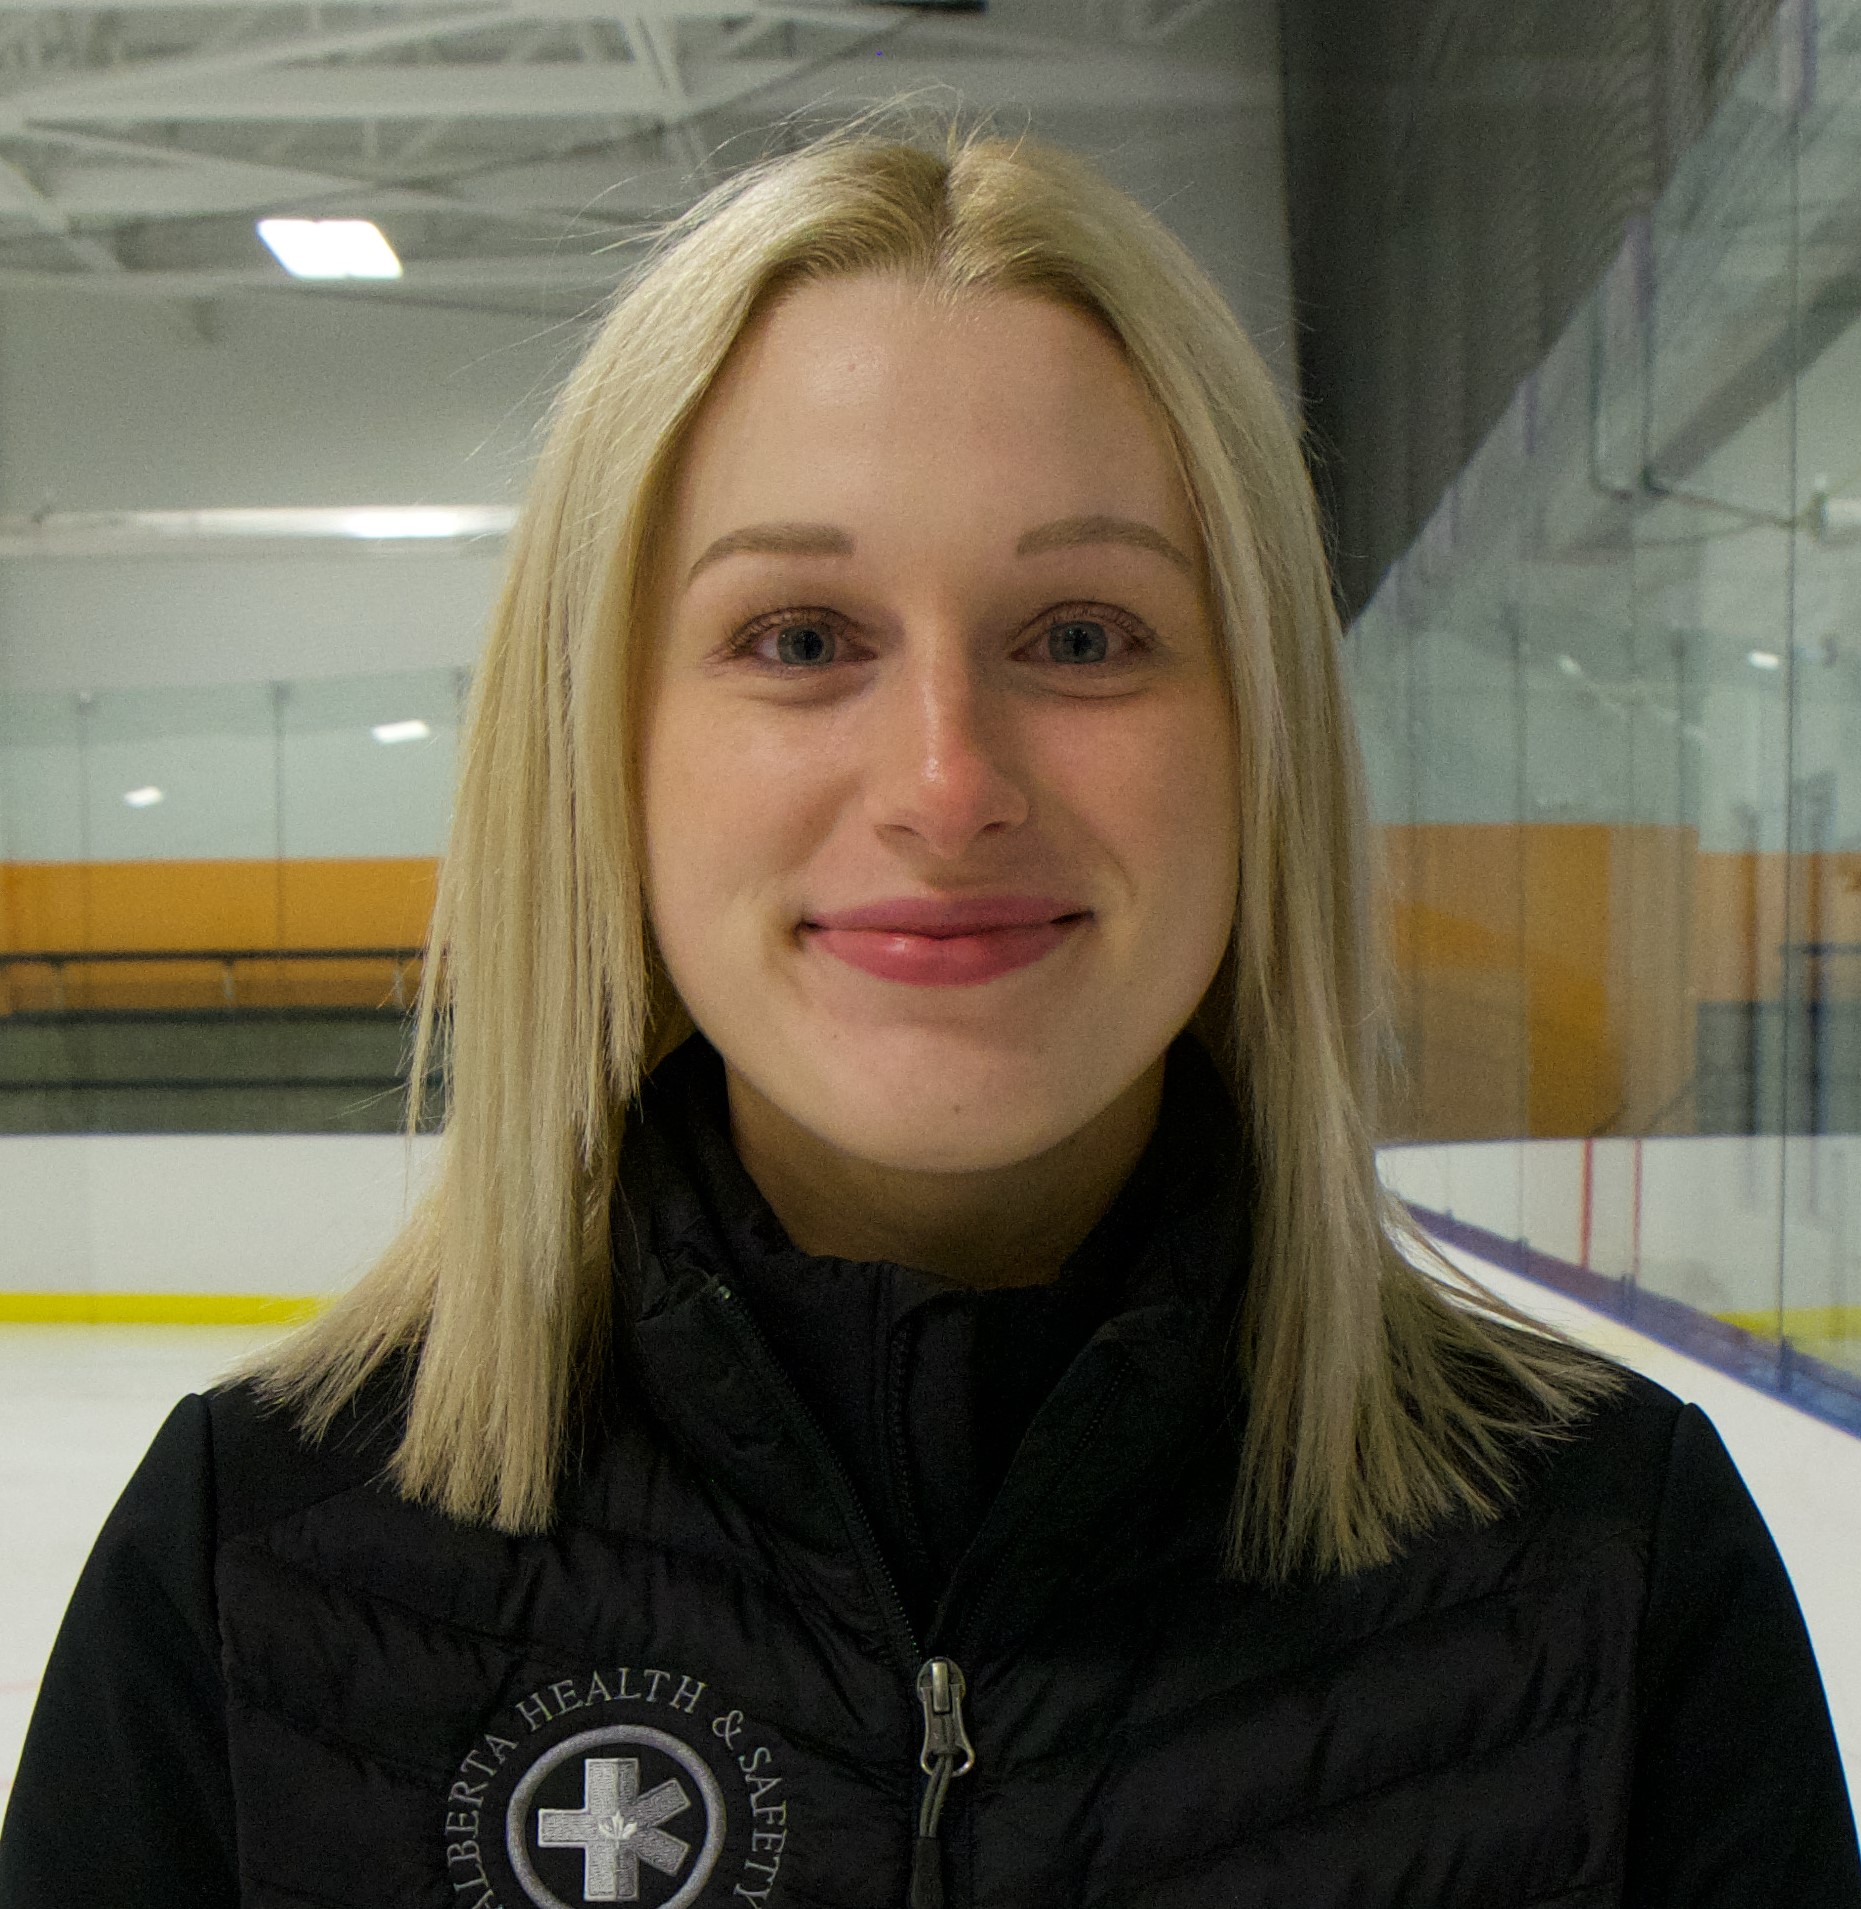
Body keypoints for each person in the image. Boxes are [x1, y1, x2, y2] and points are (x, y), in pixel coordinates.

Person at [2, 113, 1857, 1909]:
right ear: (606, 754)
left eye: (1082, 635)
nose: (947, 783)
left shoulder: (1617, 1568)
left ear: (1259, 741)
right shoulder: (245, 1562)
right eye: (799, 639)